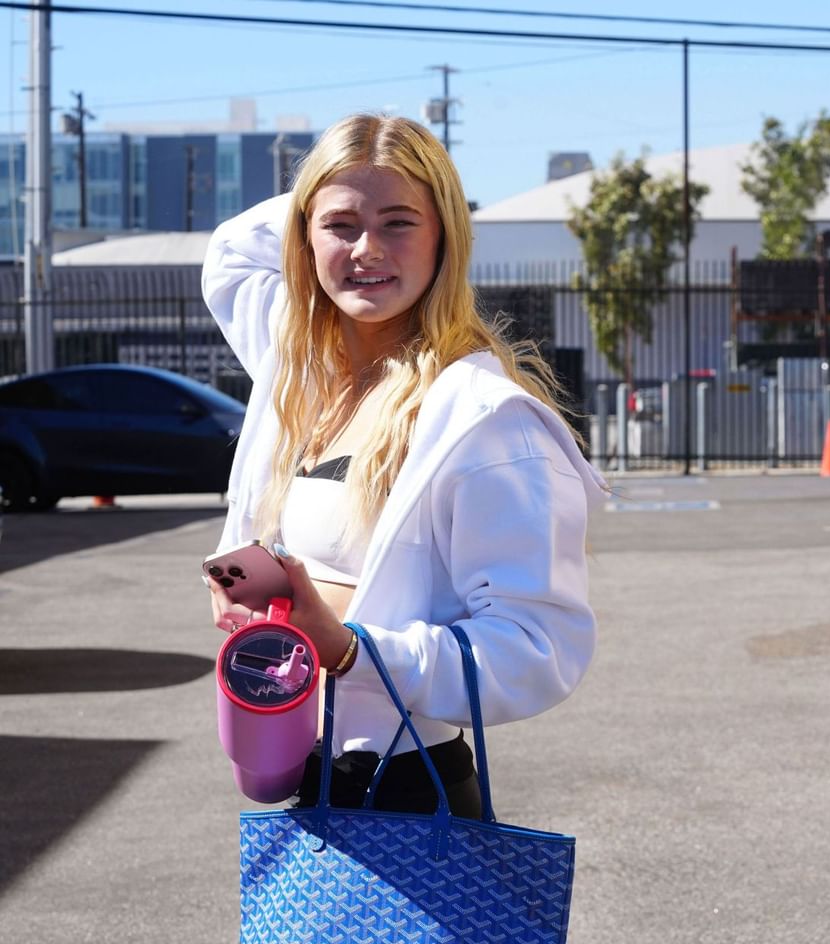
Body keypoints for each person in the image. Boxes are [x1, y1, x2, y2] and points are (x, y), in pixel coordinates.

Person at [202, 113, 605, 816]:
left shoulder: (481, 417)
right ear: (303, 238)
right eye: (341, 225)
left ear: (445, 235)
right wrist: (264, 607)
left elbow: (540, 647)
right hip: (307, 774)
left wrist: (353, 649)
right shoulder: (301, 373)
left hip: (408, 793)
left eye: (398, 222)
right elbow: (233, 250)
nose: (366, 249)